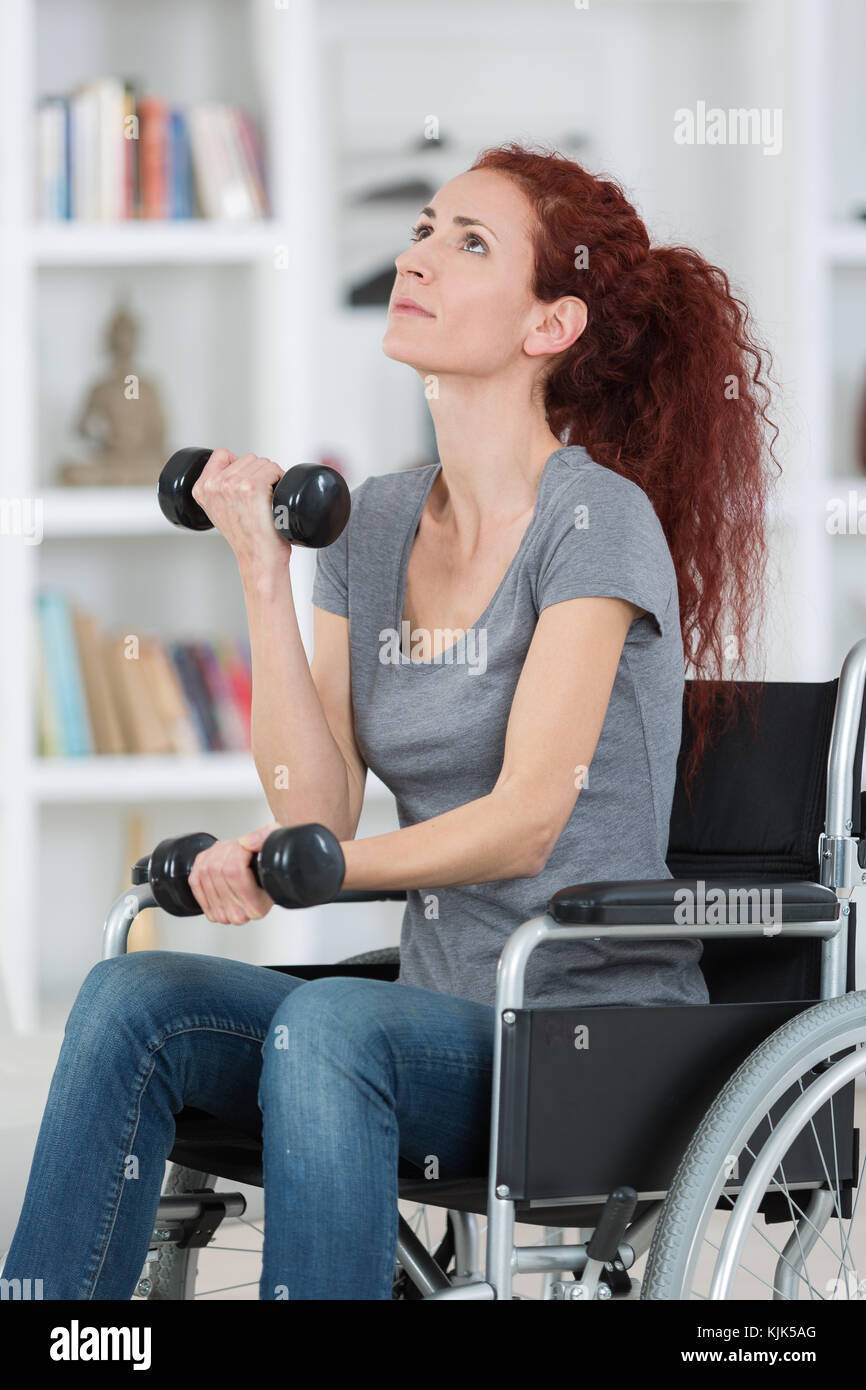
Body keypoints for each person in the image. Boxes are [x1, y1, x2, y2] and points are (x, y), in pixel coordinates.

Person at [3, 141, 779, 1300]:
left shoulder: (593, 524)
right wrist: (263, 572)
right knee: (133, 996)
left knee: (332, 1031)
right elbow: (315, 806)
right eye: (421, 227)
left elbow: (522, 825)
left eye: (467, 243)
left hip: (576, 1031)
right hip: (435, 1012)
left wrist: (302, 866)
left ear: (547, 325)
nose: (416, 255)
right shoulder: (370, 522)